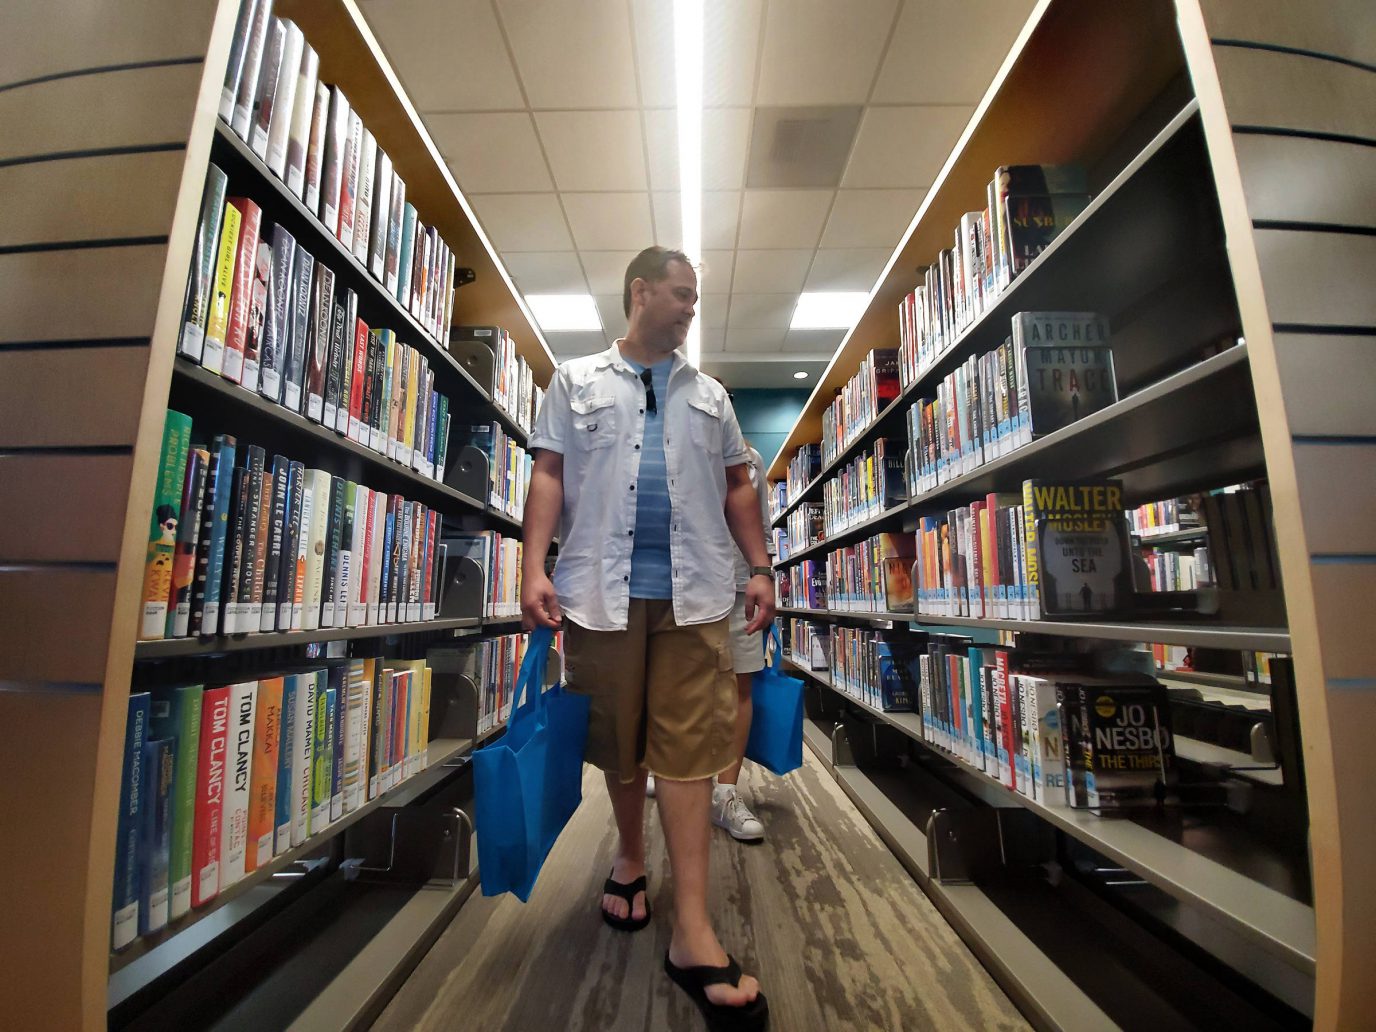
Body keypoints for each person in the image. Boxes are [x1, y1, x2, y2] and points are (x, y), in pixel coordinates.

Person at [522, 246, 775, 1030]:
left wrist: (761, 565)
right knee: (619, 739)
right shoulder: (575, 382)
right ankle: (630, 858)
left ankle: (693, 930)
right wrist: (534, 563)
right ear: (640, 292)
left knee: (692, 749)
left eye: (695, 300)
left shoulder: (712, 397)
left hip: (696, 597)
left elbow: (740, 488)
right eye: (682, 296)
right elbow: (549, 475)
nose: (691, 310)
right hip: (599, 593)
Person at [648, 432, 773, 844]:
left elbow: (760, 521)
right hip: (678, 586)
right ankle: (671, 773)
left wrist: (763, 573)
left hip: (737, 585)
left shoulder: (750, 460)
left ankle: (726, 793)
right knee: (676, 688)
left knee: (740, 684)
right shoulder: (664, 447)